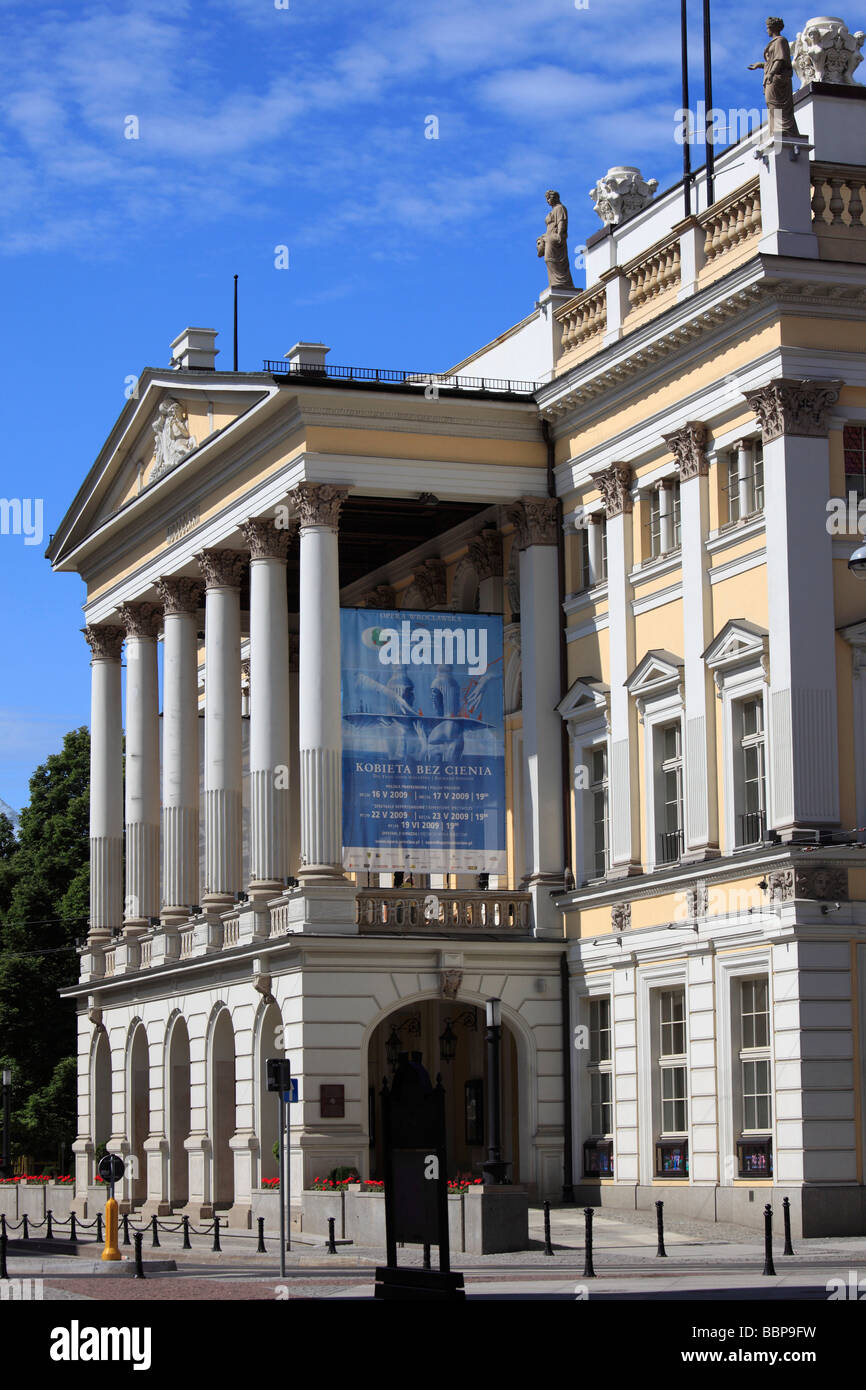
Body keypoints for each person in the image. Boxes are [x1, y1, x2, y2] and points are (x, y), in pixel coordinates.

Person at [748, 16, 801, 137]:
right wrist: (760, 65)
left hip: (777, 79)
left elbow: (780, 59)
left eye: (767, 28)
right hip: (772, 77)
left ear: (773, 28)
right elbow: (772, 61)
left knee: (777, 103)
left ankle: (784, 128)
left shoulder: (780, 41)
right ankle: (776, 128)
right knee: (771, 103)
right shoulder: (775, 42)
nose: (767, 30)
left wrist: (771, 74)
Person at [537, 190, 576, 292]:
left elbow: (561, 222)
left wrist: (559, 235)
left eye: (549, 198)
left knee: (549, 259)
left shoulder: (560, 208)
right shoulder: (553, 210)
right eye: (547, 199)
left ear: (555, 198)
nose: (547, 201)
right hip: (549, 236)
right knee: (547, 258)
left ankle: (560, 282)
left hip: (554, 237)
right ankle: (554, 282)